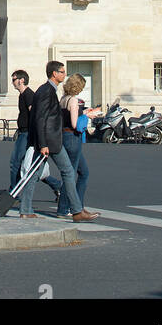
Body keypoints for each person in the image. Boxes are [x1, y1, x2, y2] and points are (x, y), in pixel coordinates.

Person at [26, 60, 99, 223]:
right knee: (69, 172)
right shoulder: (49, 92)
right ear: (55, 73)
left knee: (36, 174)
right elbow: (41, 118)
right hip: (55, 140)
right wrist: (43, 143)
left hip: (53, 139)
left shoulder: (54, 93)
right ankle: (74, 209)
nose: (64, 75)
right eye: (62, 72)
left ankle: (26, 208)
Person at [55, 75, 101, 220]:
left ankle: (76, 207)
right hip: (72, 138)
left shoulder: (63, 99)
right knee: (72, 174)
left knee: (80, 172)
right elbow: (75, 123)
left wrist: (85, 112)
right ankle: (67, 209)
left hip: (64, 136)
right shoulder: (73, 100)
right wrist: (88, 116)